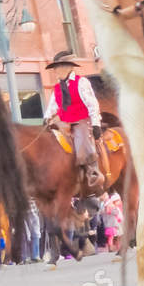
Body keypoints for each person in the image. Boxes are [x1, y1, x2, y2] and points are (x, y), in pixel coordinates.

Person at [42, 51, 105, 191]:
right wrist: (46, 118)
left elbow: (92, 104)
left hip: (82, 120)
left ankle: (92, 173)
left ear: (65, 67)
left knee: (82, 138)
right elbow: (53, 105)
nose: (54, 71)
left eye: (56, 67)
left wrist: (95, 124)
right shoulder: (57, 88)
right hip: (64, 123)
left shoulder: (81, 82)